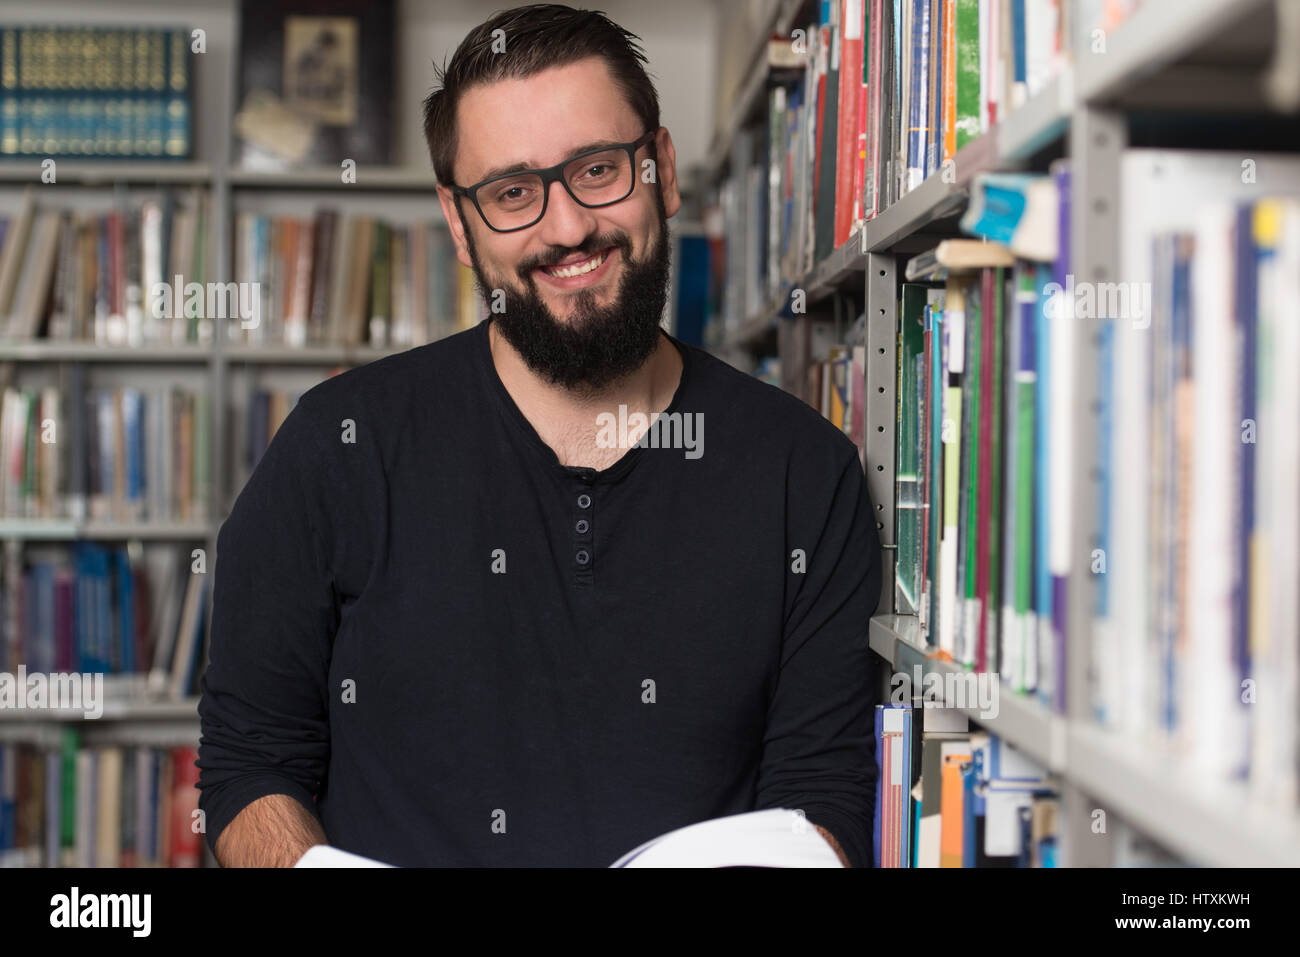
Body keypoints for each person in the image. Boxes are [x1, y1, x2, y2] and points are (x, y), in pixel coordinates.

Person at [197, 3, 882, 867]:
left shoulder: (804, 474)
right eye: (512, 193)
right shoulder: (335, 445)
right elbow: (247, 762)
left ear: (661, 169)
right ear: (460, 224)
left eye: (598, 169)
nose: (566, 229)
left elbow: (825, 796)